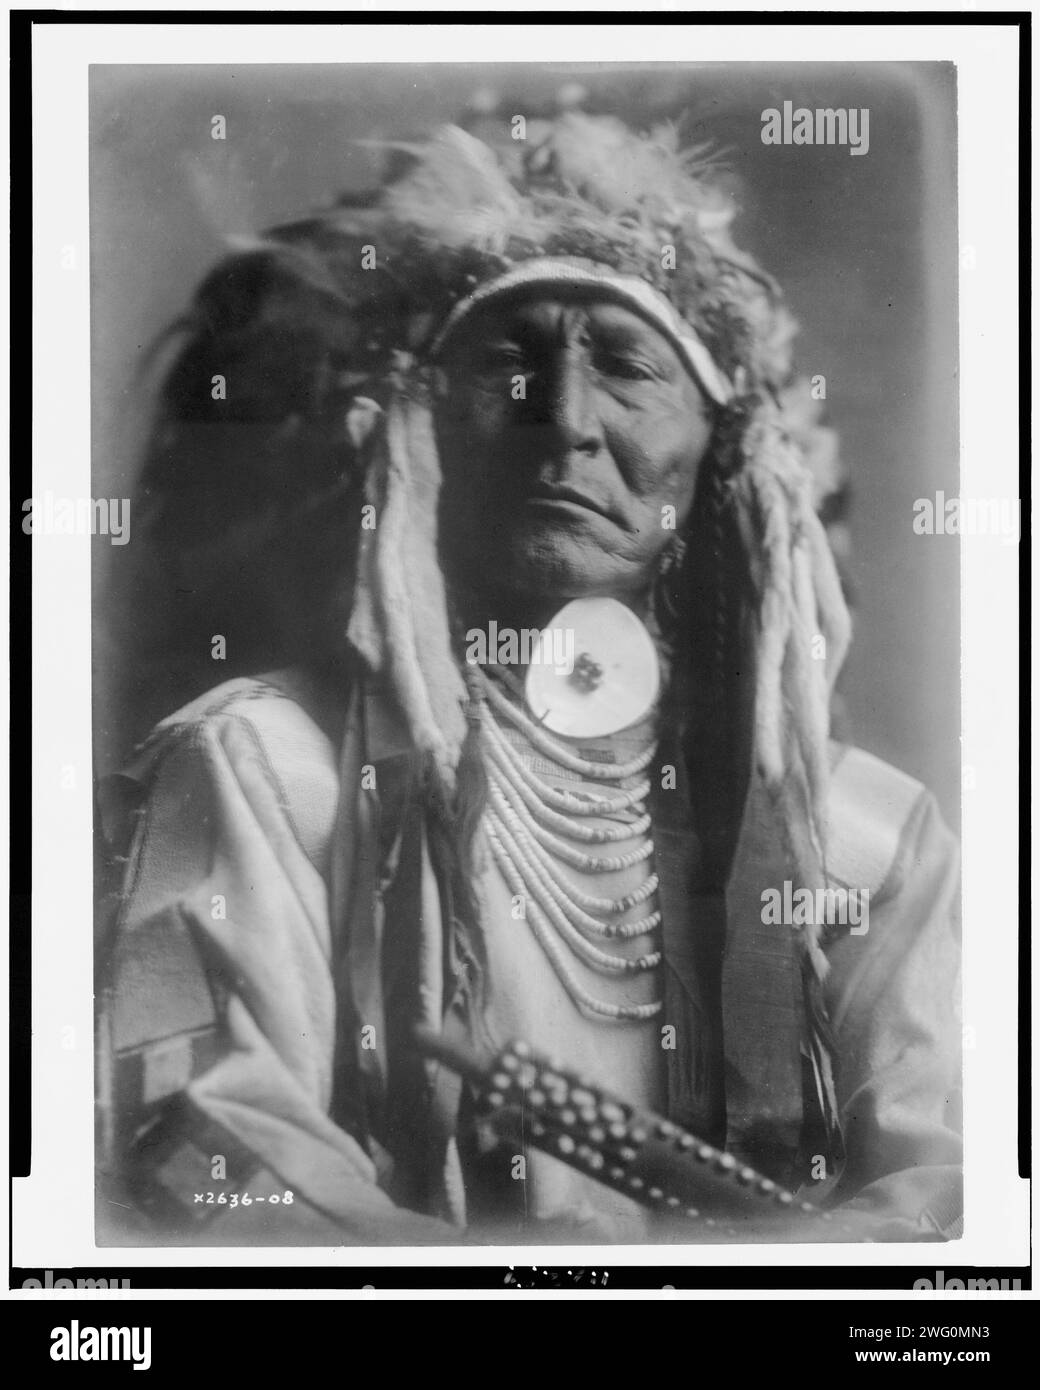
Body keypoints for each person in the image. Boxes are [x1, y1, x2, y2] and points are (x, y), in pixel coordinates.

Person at [96, 114, 961, 1245]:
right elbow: (206, 1153)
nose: (562, 418)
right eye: (506, 359)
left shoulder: (868, 838)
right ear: (420, 431)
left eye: (625, 364)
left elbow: (944, 1199)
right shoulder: (265, 770)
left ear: (721, 460)